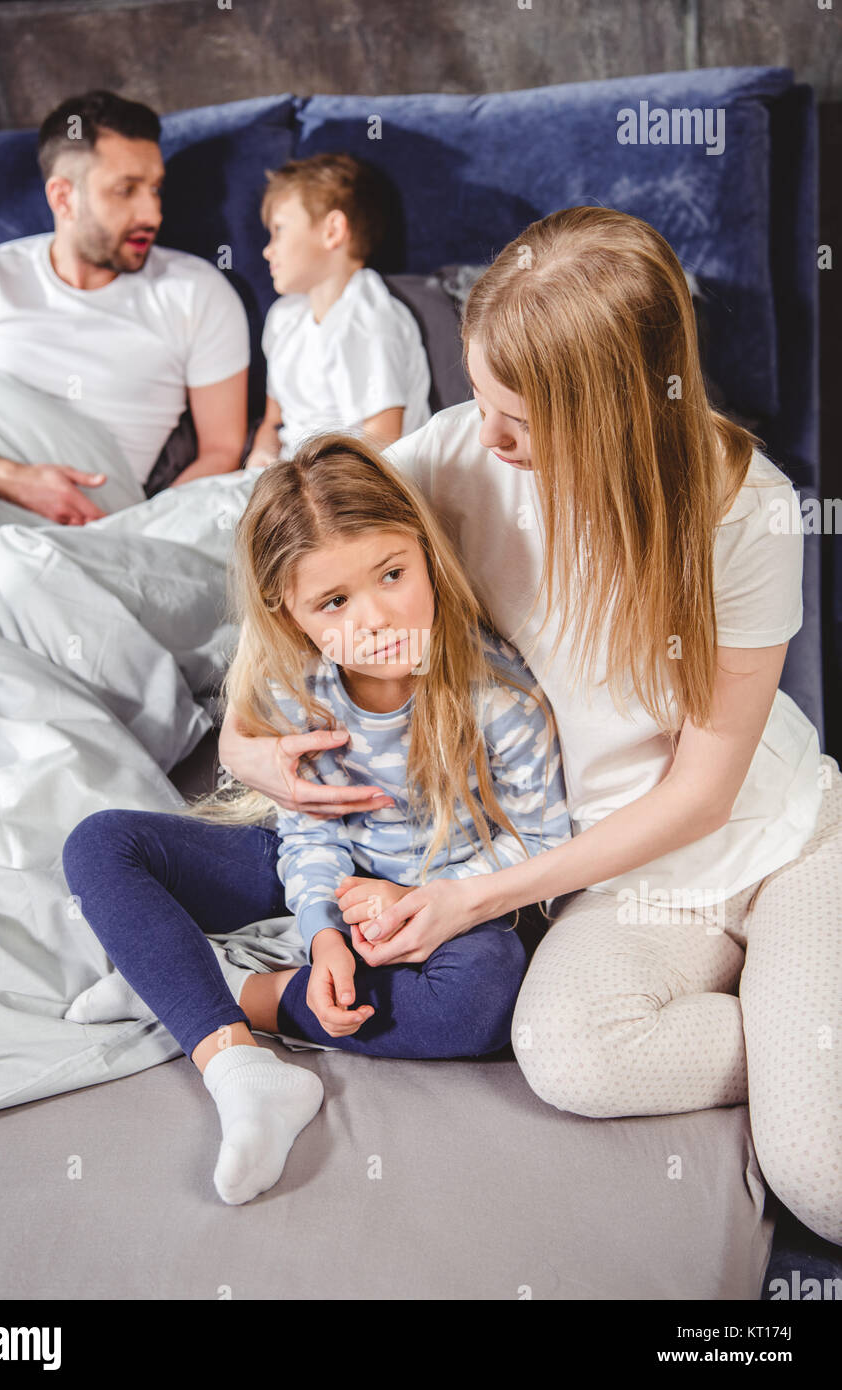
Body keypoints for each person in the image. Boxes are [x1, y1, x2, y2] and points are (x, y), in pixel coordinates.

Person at [215, 206, 842, 1247]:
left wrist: (469, 897)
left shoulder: (749, 511)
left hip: (778, 846)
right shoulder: (456, 458)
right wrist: (244, 747)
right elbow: (292, 567)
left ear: (615, 412)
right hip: (608, 879)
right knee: (566, 1055)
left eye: (519, 417)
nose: (487, 435)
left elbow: (703, 795)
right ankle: (800, 1036)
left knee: (820, 1180)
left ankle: (805, 1031)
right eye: (478, 395)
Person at [61, 431, 570, 1205]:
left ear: (425, 552)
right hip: (322, 877)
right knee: (102, 845)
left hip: (448, 900)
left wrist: (417, 899)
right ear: (292, 614)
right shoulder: (304, 688)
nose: (377, 618)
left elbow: (542, 842)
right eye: (335, 602)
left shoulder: (497, 696)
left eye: (393, 574)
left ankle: (209, 991)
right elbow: (308, 827)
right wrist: (323, 929)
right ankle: (237, 1065)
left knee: (483, 997)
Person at [0, 90, 249, 526]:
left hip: (96, 517)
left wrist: (133, 534)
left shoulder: (196, 291)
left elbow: (221, 451)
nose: (152, 214)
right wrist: (16, 481)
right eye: (126, 190)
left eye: (155, 189)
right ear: (63, 197)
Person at [244, 154, 431, 469]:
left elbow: (382, 443)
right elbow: (274, 422)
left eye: (279, 230)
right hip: (286, 474)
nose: (267, 249)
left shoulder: (370, 319)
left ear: (333, 230)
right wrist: (260, 457)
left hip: (345, 483)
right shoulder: (283, 318)